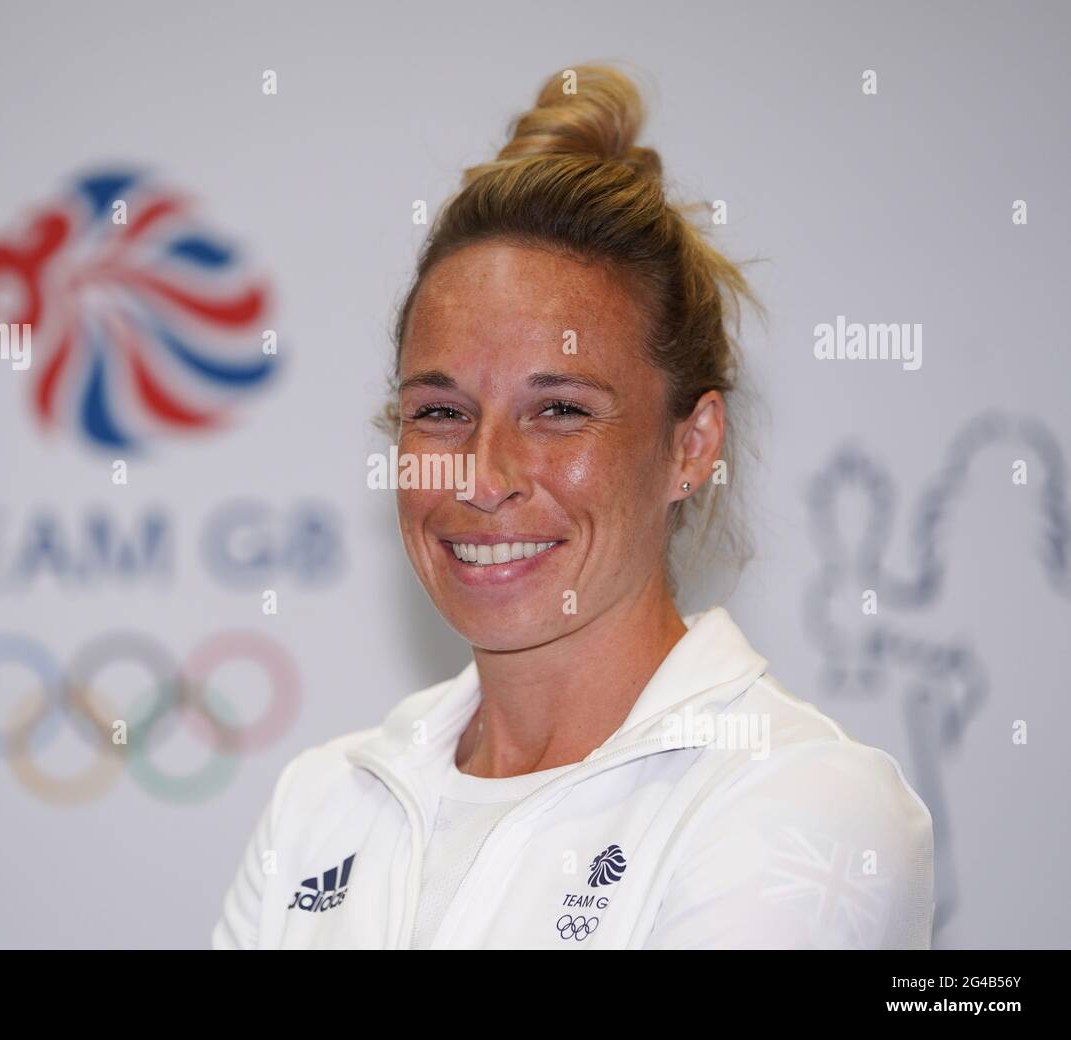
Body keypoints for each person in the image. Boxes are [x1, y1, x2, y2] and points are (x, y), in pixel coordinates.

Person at [212, 63, 934, 949]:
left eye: (559, 411)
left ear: (691, 445)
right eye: (441, 413)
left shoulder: (804, 803)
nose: (483, 477)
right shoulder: (322, 805)